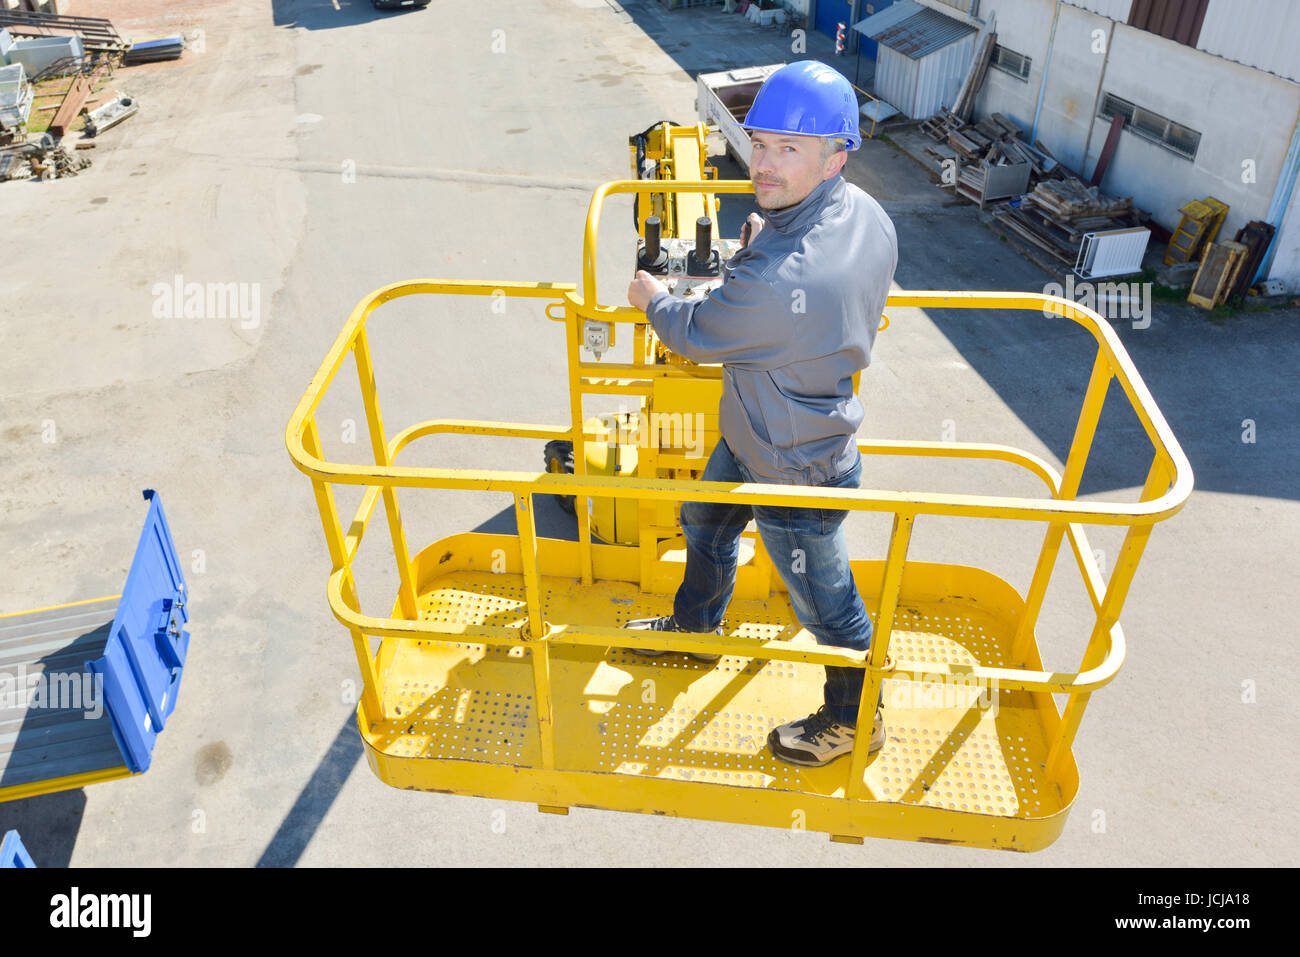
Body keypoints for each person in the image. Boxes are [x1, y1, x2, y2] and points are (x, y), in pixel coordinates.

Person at [623, 61, 898, 768]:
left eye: (790, 150)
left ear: (836, 157)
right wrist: (758, 250)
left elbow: (694, 331)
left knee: (825, 602)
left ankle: (854, 718)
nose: (765, 167)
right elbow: (803, 293)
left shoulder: (780, 280)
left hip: (794, 470)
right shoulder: (865, 215)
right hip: (760, 430)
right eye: (763, 143)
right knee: (705, 520)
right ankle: (694, 625)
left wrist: (650, 296)